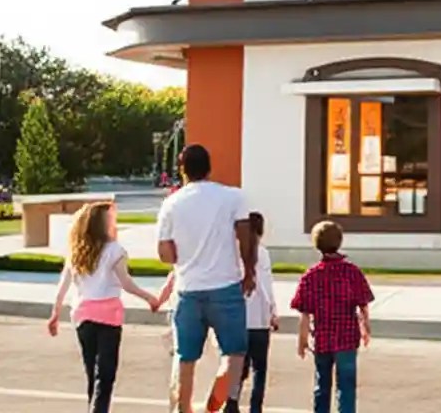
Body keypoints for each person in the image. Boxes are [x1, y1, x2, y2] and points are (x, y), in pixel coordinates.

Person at [157, 143, 258, 413]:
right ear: (209, 168)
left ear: (182, 171)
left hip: (188, 288)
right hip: (225, 285)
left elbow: (165, 253)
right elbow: (246, 237)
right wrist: (249, 271)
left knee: (185, 357)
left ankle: (183, 408)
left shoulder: (171, 204)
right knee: (234, 353)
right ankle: (220, 403)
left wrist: (186, 254)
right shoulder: (233, 198)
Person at [47, 201, 160, 413]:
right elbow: (126, 283)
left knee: (93, 375)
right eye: (112, 219)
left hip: (82, 316)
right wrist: (150, 298)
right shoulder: (115, 250)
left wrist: (55, 313)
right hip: (108, 316)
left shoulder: (77, 251)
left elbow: (63, 285)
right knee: (105, 376)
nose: (116, 223)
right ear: (103, 224)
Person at [291, 221, 374, 413]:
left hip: (323, 339)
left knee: (322, 384)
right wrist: (365, 328)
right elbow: (363, 305)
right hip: (347, 338)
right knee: (346, 386)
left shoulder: (311, 276)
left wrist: (302, 340)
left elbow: (304, 312)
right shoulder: (351, 272)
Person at [225, 211, 278, 413]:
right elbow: (267, 287)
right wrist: (272, 311)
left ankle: (232, 402)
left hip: (238, 319)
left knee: (237, 367)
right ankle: (256, 407)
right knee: (260, 369)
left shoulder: (233, 254)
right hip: (259, 320)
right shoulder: (262, 253)